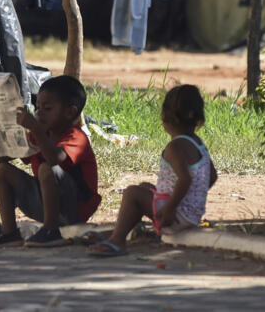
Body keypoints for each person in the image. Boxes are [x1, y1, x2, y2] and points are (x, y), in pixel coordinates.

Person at [88, 84, 218, 257]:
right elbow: (212, 176)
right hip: (191, 215)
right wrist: (192, 198)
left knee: (132, 193)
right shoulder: (198, 143)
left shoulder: (175, 147)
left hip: (176, 217)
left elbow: (185, 179)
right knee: (144, 187)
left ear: (164, 117)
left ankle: (117, 240)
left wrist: (171, 208)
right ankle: (121, 229)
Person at [0, 75, 101, 248]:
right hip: (44, 203)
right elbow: (1, 156)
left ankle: (51, 231)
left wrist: (35, 128)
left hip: (75, 208)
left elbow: (54, 158)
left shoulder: (76, 137)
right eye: (38, 107)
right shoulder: (40, 133)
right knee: (2, 170)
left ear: (70, 112)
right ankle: (9, 233)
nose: (39, 113)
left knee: (46, 168)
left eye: (47, 108)